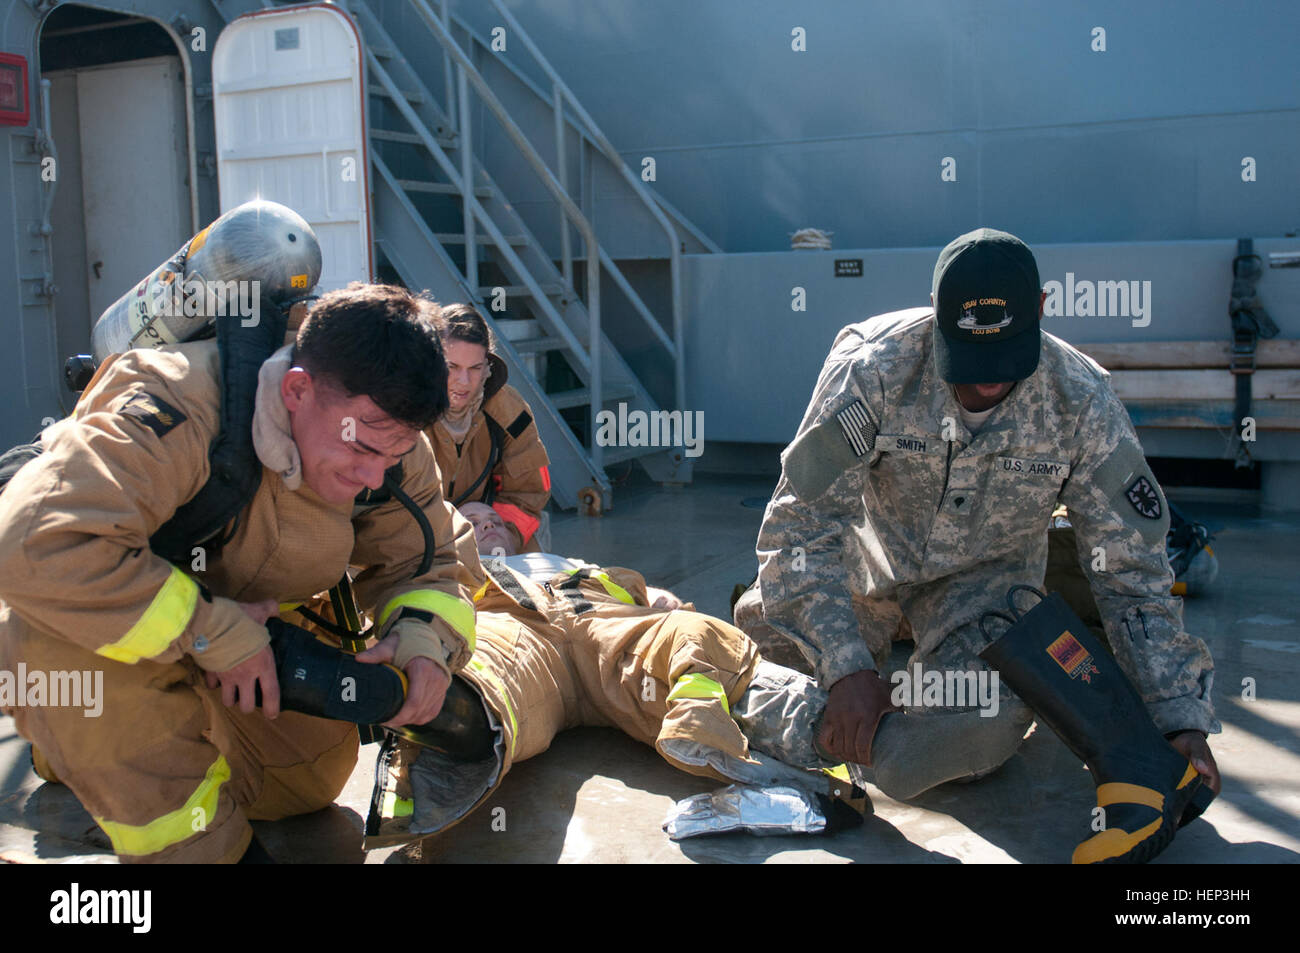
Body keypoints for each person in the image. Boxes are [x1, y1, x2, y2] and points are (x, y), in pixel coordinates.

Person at [738, 227, 1220, 863]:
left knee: (965, 743)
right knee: (745, 677)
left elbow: (1132, 572)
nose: (986, 386)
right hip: (862, 577)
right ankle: (858, 679)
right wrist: (847, 665)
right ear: (937, 313)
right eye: (968, 362)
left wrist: (1176, 715)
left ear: (1042, 311)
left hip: (980, 596)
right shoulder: (874, 367)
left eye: (1005, 365)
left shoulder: (1081, 400)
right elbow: (797, 528)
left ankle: (1088, 712)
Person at [0, 282, 482, 863]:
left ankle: (131, 745)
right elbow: (33, 544)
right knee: (62, 658)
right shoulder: (177, 399)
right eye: (361, 450)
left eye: (393, 455)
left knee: (307, 781)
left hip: (250, 644)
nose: (376, 477)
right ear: (297, 390)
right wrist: (213, 632)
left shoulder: (387, 435)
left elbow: (427, 562)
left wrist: (423, 640)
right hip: (114, 637)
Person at [368, 502, 841, 845]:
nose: (487, 527)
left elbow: (644, 598)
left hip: (600, 619)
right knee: (481, 670)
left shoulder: (568, 562)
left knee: (693, 637)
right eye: (472, 523)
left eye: (495, 521)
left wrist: (653, 595)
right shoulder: (451, 575)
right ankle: (437, 734)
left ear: (517, 537)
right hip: (508, 622)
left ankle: (820, 731)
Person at [426, 304, 551, 552]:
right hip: (419, 541)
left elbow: (528, 495)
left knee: (543, 580)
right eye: (452, 367)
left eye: (474, 368)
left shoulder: (509, 411)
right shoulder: (401, 410)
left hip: (488, 533)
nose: (464, 382)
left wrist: (500, 539)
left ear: (487, 368)